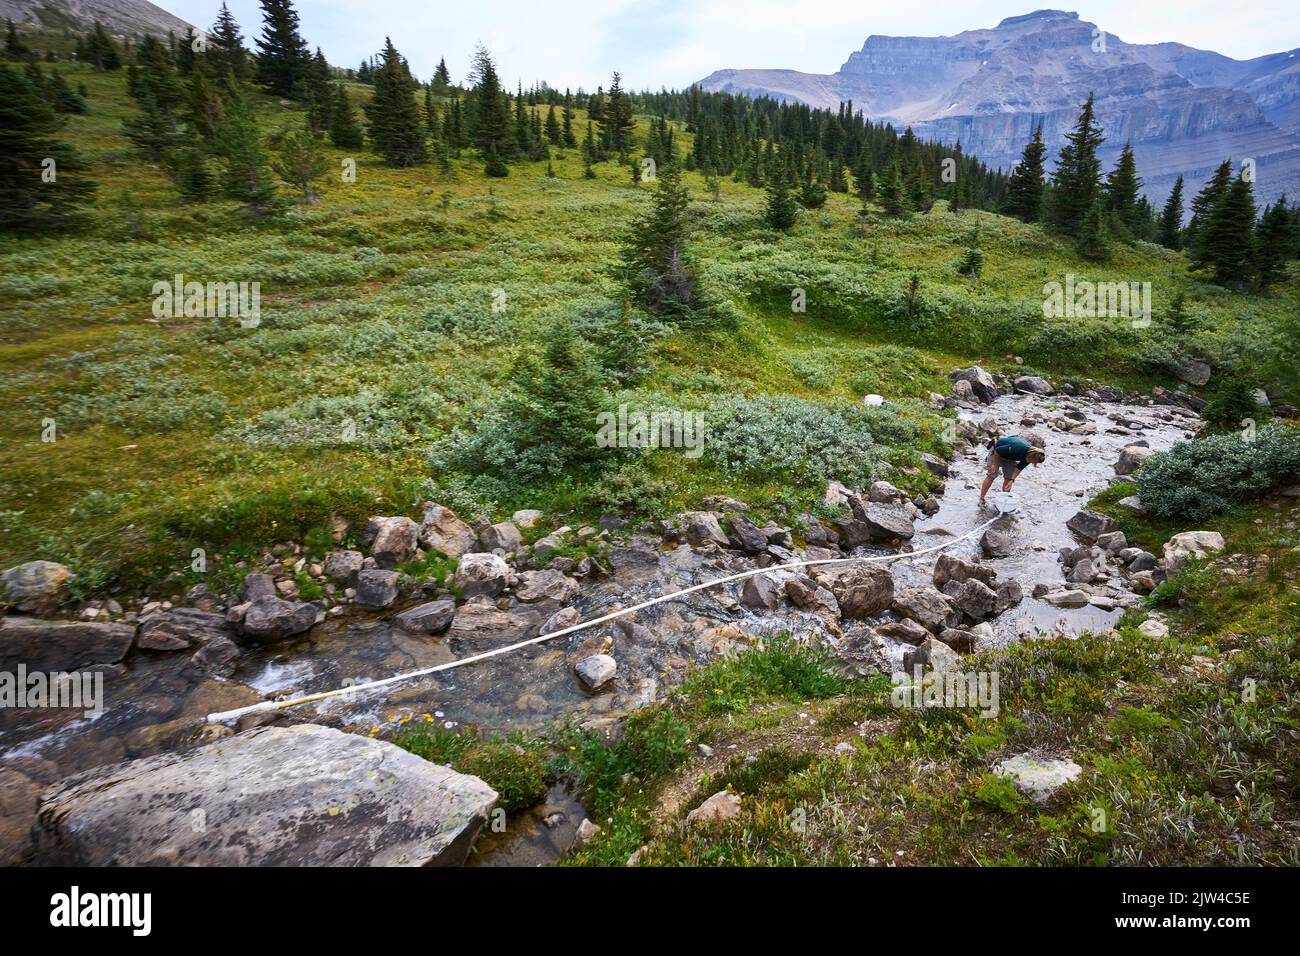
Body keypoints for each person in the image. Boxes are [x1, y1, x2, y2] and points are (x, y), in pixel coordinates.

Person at [979, 434, 1046, 506]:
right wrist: (995, 465)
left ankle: (1004, 502)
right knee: (992, 475)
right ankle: (981, 498)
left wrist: (1012, 480)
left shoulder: (1030, 457)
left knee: (1008, 479)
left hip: (1010, 457)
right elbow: (998, 451)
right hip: (997, 452)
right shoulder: (1018, 448)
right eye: (1034, 462)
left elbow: (1018, 469)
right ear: (1032, 457)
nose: (1032, 463)